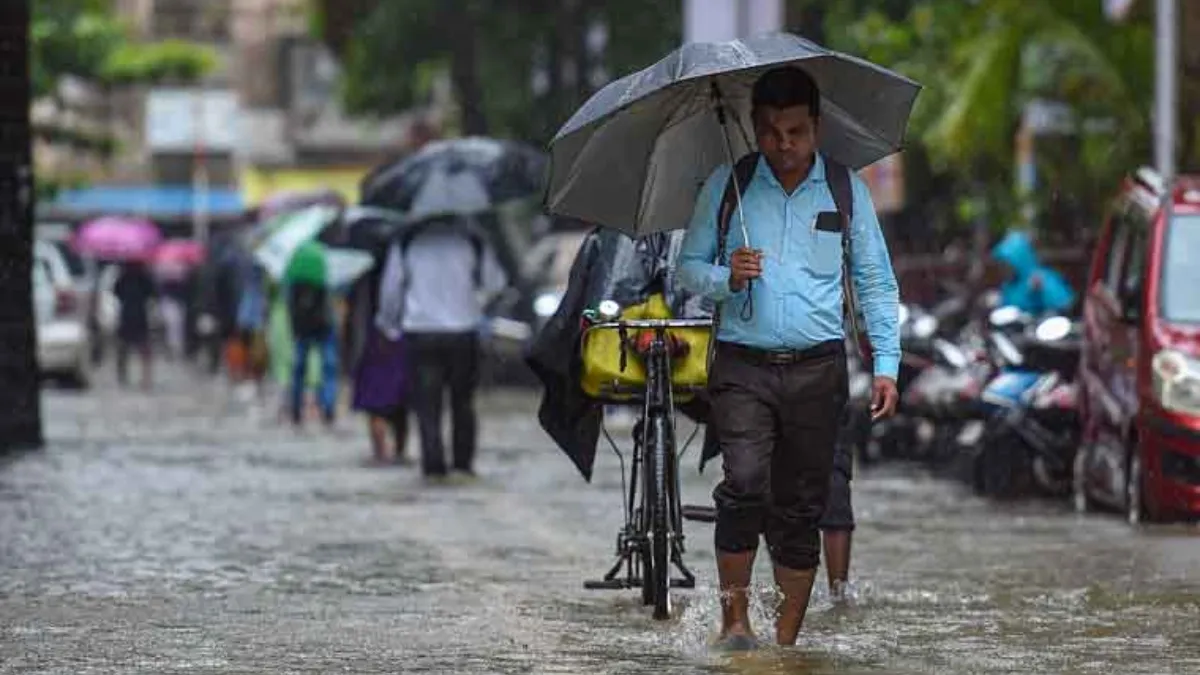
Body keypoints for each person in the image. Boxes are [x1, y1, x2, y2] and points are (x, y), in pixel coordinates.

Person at [677, 66, 901, 649]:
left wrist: (887, 365)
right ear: (754, 128)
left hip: (818, 369)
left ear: (816, 128)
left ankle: (785, 644)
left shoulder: (847, 190)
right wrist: (728, 277)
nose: (784, 145)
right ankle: (734, 624)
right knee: (744, 482)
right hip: (743, 366)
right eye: (772, 131)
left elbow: (875, 281)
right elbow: (689, 268)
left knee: (802, 504)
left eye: (796, 132)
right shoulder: (728, 187)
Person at [376, 216, 507, 482]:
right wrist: (474, 299)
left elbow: (391, 290)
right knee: (463, 401)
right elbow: (495, 283)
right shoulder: (472, 239)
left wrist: (388, 325)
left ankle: (433, 466)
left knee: (427, 404)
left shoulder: (407, 241)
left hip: (421, 332)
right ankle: (462, 464)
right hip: (463, 330)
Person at [348, 265, 410, 466]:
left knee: (376, 403)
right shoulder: (405, 252)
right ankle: (398, 453)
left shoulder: (362, 268)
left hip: (376, 339)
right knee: (400, 401)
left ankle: (381, 454)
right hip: (404, 334)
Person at [287, 276, 340, 428]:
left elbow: (290, 304)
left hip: (307, 326)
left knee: (301, 367)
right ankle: (325, 407)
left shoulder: (296, 275)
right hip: (320, 325)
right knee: (327, 367)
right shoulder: (325, 272)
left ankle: (298, 407)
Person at [991, 230, 1076, 316]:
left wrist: (1042, 292)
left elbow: (1064, 303)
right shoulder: (1008, 285)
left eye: (1006, 265)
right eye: (1001, 265)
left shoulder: (1043, 278)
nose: (1002, 269)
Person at [112, 260, 156, 389]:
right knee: (129, 348)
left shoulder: (130, 277)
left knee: (130, 348)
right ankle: (142, 377)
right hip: (135, 315)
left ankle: (140, 377)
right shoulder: (131, 277)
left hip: (130, 314)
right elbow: (151, 293)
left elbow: (116, 292)